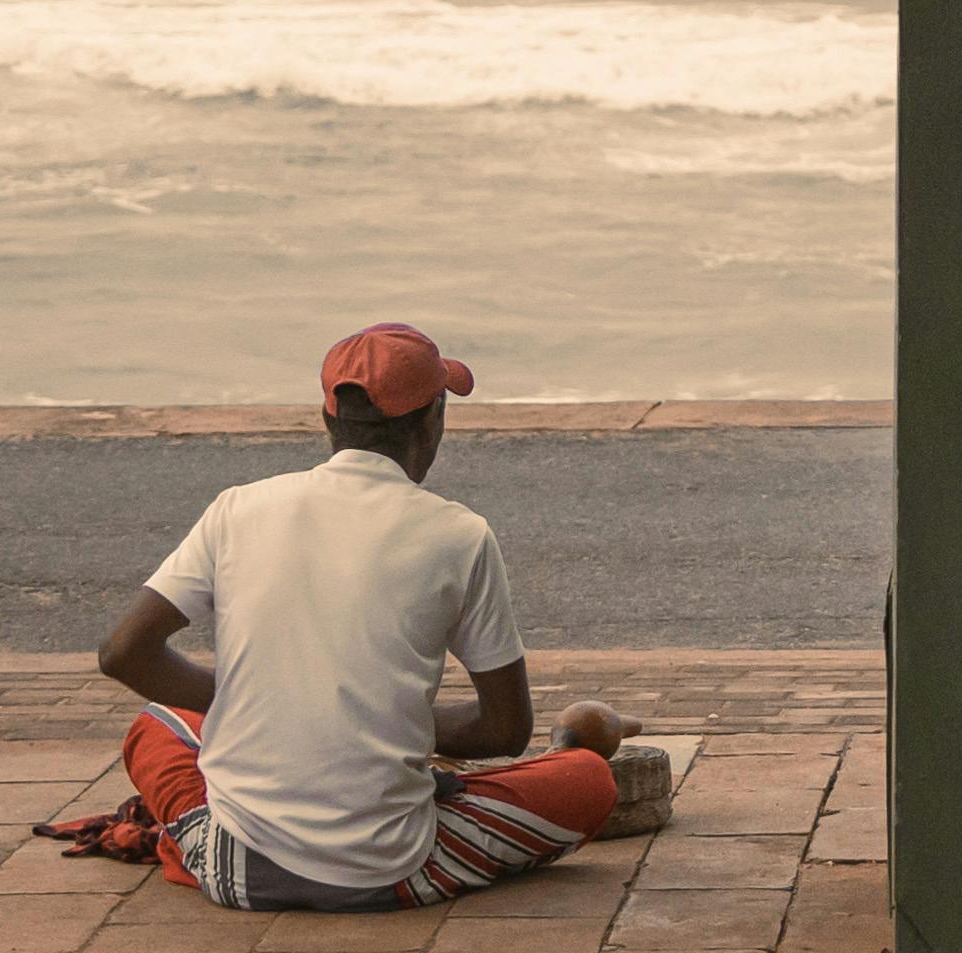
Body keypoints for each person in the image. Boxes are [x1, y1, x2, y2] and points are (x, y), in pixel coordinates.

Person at [84, 324, 664, 911]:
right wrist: (376, 724)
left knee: (157, 725)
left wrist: (274, 708)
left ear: (328, 418)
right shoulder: (459, 534)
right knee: (587, 781)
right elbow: (506, 731)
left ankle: (194, 841)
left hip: (238, 867)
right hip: (389, 867)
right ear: (433, 420)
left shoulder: (237, 508)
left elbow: (124, 654)